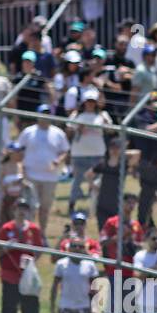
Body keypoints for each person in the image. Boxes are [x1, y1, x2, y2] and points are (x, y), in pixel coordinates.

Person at [0, 198, 44, 313]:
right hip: (10, 276)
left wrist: (30, 261)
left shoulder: (33, 229)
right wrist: (7, 248)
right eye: (19, 209)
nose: (21, 212)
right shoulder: (6, 229)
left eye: (25, 209)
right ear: (13, 210)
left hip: (27, 278)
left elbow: (39, 250)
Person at [17, 106, 69, 232]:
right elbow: (18, 151)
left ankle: (42, 233)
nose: (45, 117)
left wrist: (58, 160)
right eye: (43, 114)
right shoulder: (28, 132)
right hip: (31, 175)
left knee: (45, 208)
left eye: (48, 114)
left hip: (50, 177)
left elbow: (65, 151)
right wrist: (21, 171)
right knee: (30, 207)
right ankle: (28, 232)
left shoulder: (58, 133)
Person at [66, 88, 110, 217]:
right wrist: (77, 129)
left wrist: (106, 123)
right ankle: (72, 205)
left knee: (97, 182)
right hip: (79, 154)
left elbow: (110, 131)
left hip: (97, 153)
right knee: (77, 181)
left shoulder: (102, 115)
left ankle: (96, 207)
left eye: (93, 101)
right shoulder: (76, 115)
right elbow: (68, 131)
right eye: (88, 101)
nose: (90, 104)